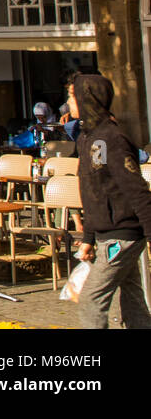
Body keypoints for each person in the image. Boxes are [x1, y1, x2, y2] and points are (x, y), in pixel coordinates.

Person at [71, 73, 151, 329]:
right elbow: (98, 191)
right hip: (108, 233)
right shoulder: (91, 140)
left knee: (91, 299)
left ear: (87, 100)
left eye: (72, 96)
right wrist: (88, 239)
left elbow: (136, 189)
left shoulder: (111, 139)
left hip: (123, 235)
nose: (68, 103)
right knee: (133, 299)